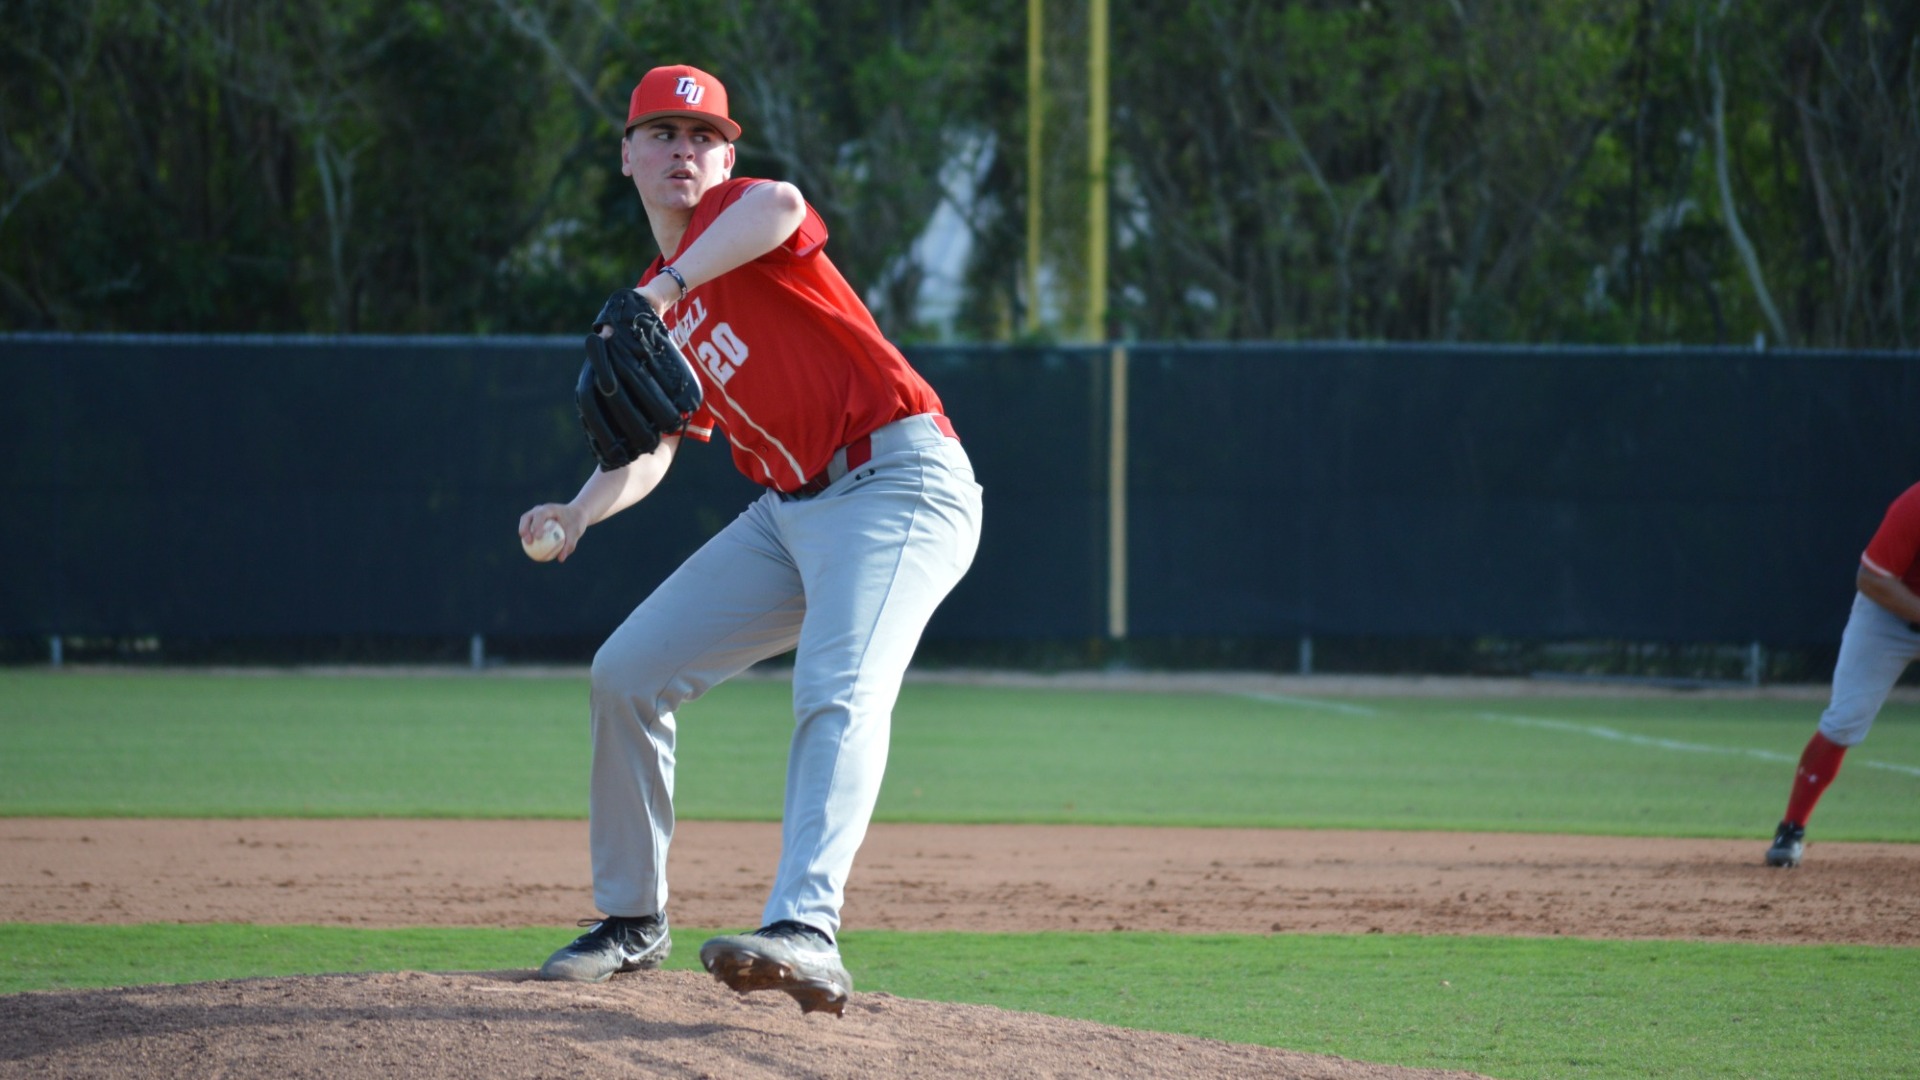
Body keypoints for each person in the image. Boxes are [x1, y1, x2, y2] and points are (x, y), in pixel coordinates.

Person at [517, 64, 983, 1015]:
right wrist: (575, 513)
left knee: (838, 685)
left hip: (896, 481)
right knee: (627, 671)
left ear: (723, 155)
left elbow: (784, 200)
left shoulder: (737, 224)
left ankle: (807, 930)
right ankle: (632, 920)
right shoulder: (654, 298)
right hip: (788, 513)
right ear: (627, 156)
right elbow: (650, 449)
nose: (682, 151)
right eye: (661, 134)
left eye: (701, 137)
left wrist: (667, 289)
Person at [1764, 480, 1920, 868]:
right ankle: (1792, 829)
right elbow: (1871, 579)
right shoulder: (1915, 504)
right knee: (1845, 720)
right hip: (1889, 615)